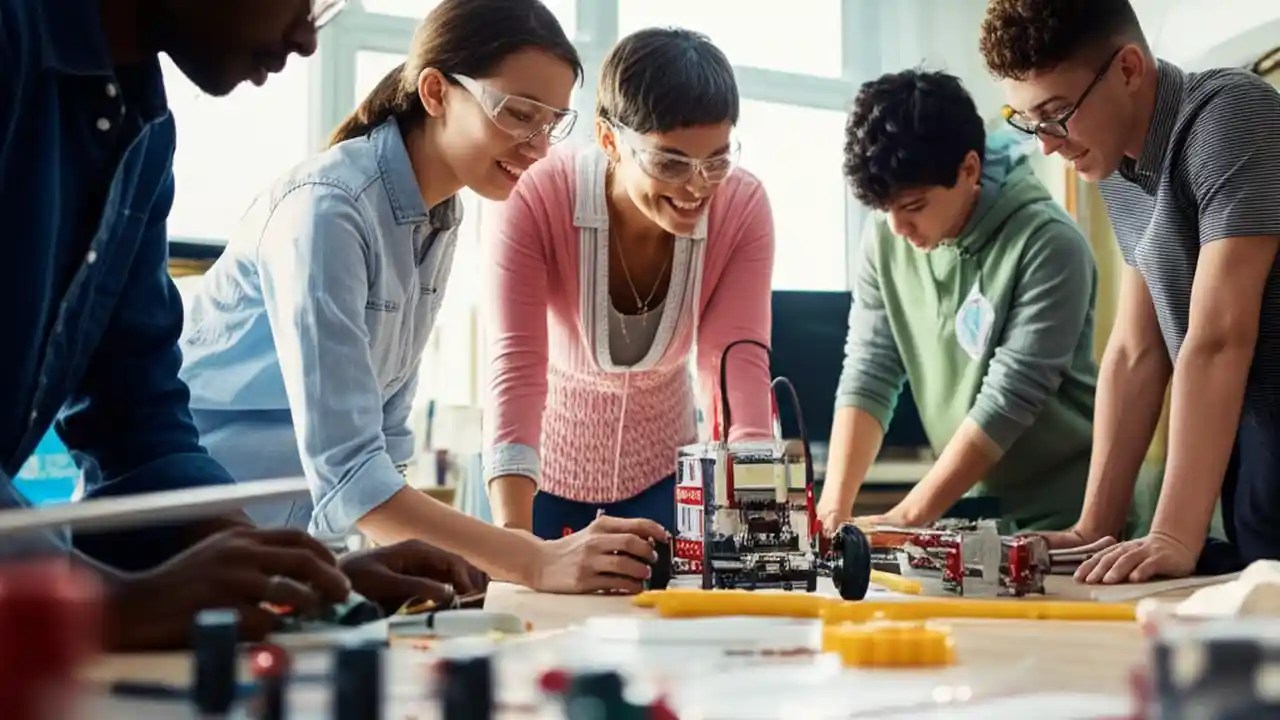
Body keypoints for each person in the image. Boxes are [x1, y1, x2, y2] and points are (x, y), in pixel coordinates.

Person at [1, 0, 491, 651]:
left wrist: (281, 572)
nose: (306, 38)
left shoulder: (142, 130)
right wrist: (108, 604)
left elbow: (136, 417)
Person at [178, 0, 667, 595]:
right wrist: (532, 560)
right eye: (518, 115)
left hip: (281, 558)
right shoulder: (330, 209)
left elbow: (385, 441)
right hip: (188, 548)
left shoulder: (438, 214)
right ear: (435, 92)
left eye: (552, 125)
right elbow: (352, 476)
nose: (538, 149)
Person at [980, 0, 1280, 583]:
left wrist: (1172, 532)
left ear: (1128, 69)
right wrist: (1095, 525)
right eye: (1028, 120)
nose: (1047, 143)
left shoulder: (1230, 114)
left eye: (1058, 112)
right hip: (1251, 434)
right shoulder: (1118, 167)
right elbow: (1135, 351)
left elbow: (1218, 338)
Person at [482, 27, 776, 539]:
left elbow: (734, 366)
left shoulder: (743, 207)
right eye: (670, 162)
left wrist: (761, 517)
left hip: (667, 480)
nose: (697, 185)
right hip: (541, 482)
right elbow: (517, 366)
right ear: (608, 139)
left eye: (717, 159)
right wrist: (514, 542)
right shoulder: (538, 194)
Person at [815, 70, 1097, 534]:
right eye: (884, 211)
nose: (898, 230)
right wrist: (833, 511)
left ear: (969, 170)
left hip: (1065, 518)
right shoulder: (887, 235)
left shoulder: (1050, 245)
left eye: (913, 207)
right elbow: (871, 369)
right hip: (967, 515)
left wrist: (906, 517)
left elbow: (1007, 399)